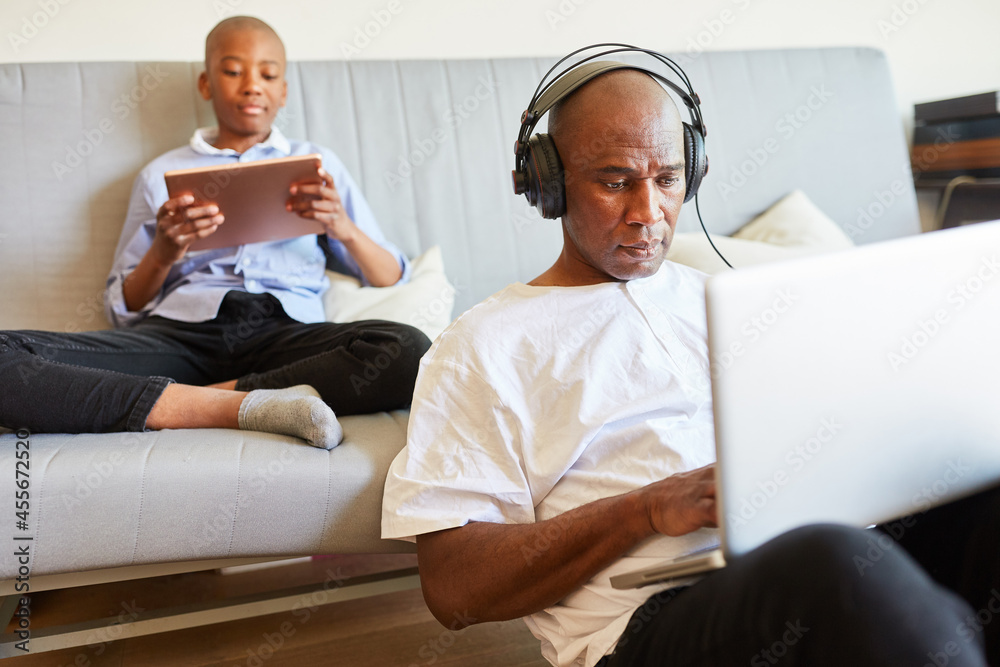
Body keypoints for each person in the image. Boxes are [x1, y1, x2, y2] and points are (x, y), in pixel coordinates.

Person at [381, 67, 1000, 666]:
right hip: (650, 622)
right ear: (548, 184)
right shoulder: (482, 346)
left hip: (803, 547)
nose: (649, 212)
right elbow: (455, 590)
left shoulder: (726, 299)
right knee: (830, 568)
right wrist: (645, 508)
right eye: (616, 181)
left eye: (668, 177)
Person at [0, 16, 430, 448]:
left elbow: (388, 275)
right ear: (206, 85)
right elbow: (123, 308)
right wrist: (165, 251)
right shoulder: (159, 175)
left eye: (268, 74)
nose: (251, 85)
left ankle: (201, 399)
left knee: (407, 349)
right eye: (232, 70)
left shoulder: (319, 164)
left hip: (285, 332)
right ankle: (227, 406)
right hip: (181, 335)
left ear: (283, 91)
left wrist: (342, 226)